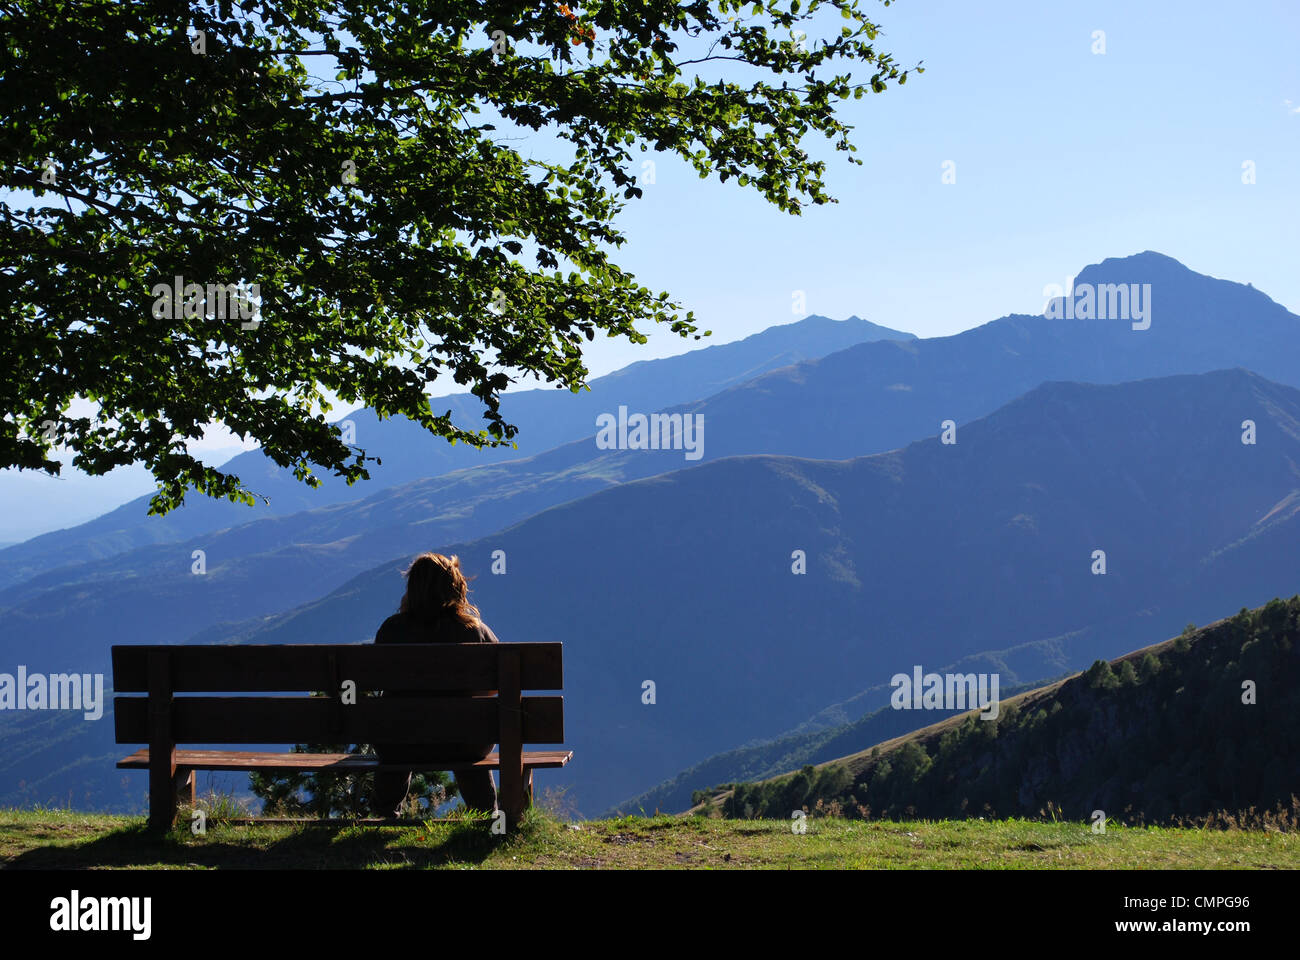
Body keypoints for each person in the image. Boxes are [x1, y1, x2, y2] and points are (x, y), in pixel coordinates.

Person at [370, 552, 500, 816]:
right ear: (455, 586)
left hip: (401, 742)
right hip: (464, 743)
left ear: (412, 588)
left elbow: (378, 683)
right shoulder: (474, 631)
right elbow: (496, 686)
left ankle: (384, 814)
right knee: (470, 729)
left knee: (393, 730)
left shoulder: (391, 630)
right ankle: (488, 816)